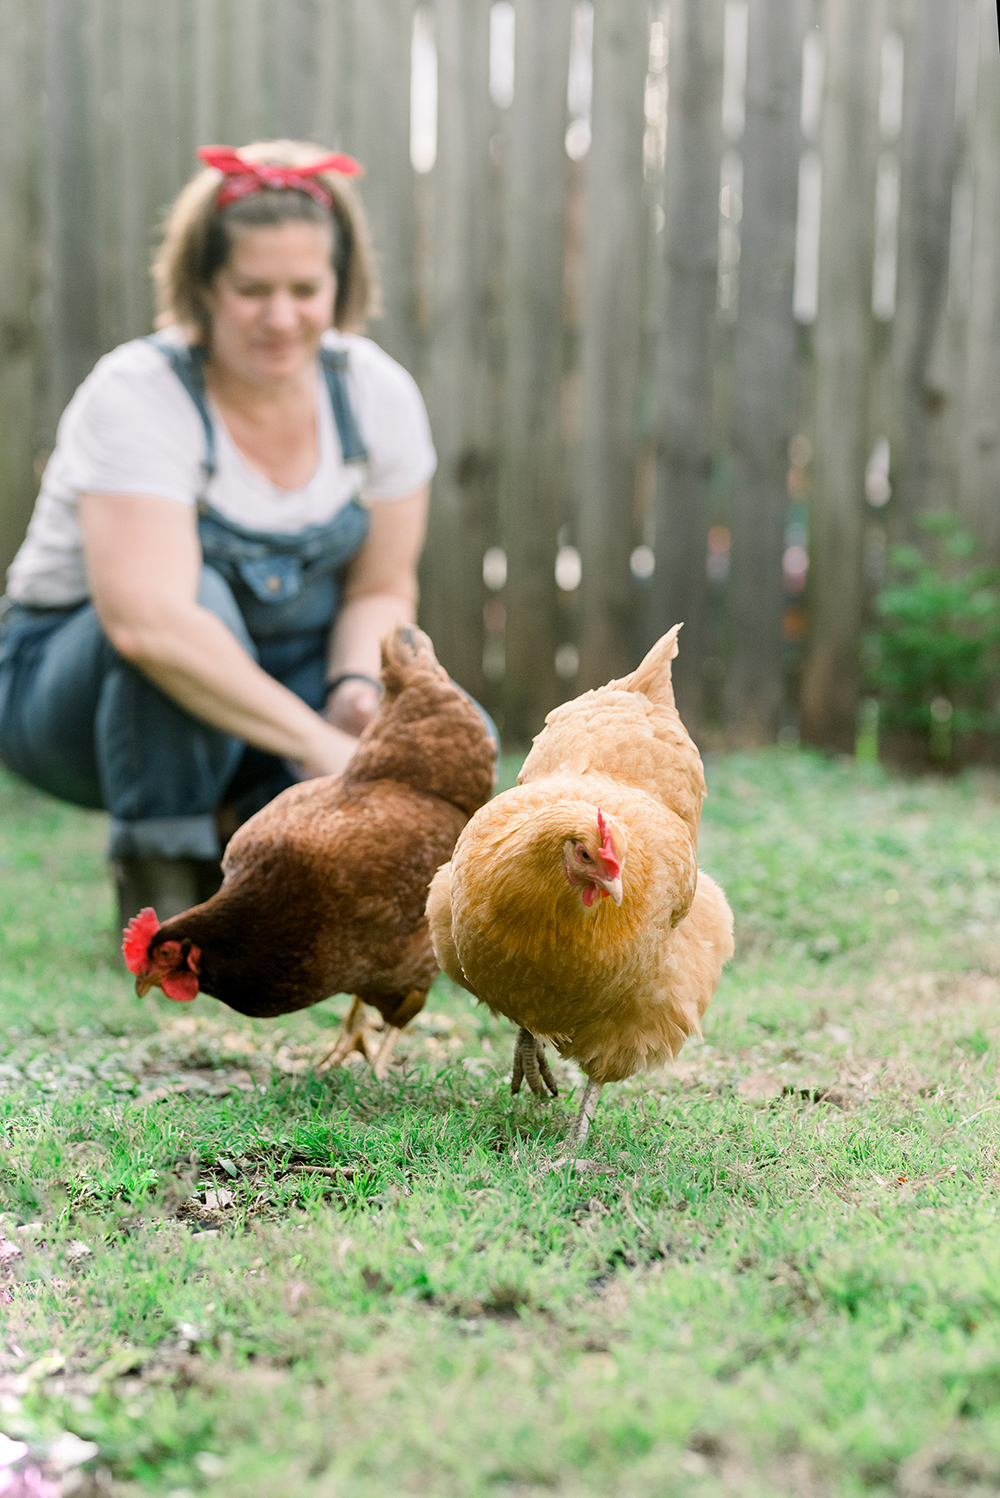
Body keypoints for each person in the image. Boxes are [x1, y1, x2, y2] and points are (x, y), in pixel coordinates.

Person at [0, 140, 456, 925]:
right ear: (202, 287)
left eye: (305, 289)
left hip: (279, 682)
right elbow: (150, 627)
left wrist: (352, 691)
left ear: (339, 286)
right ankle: (166, 896)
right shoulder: (138, 393)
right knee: (194, 602)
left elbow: (381, 587)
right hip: (69, 693)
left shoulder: (377, 394)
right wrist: (323, 750)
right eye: (251, 289)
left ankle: (287, 875)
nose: (282, 318)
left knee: (453, 731)